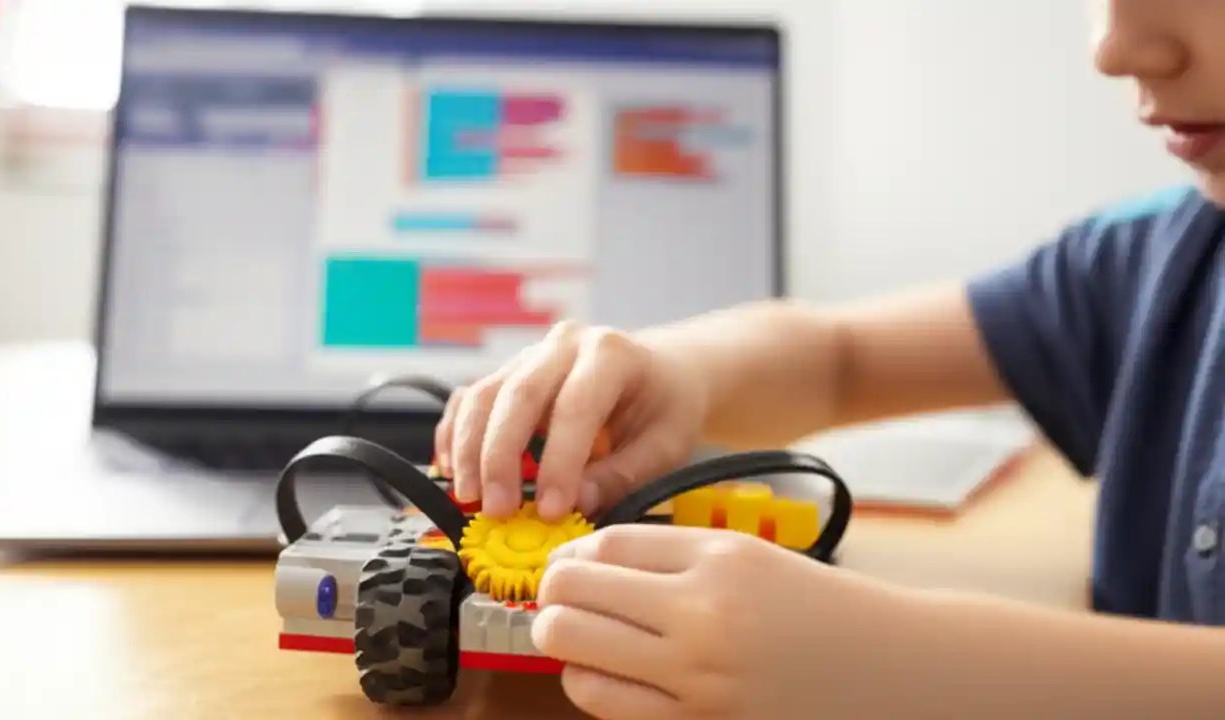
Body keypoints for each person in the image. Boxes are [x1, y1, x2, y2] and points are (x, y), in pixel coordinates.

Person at [434, 2, 1225, 717]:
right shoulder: (1153, 259)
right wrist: (680, 371)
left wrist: (919, 665)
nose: (1116, 49)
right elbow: (842, 360)